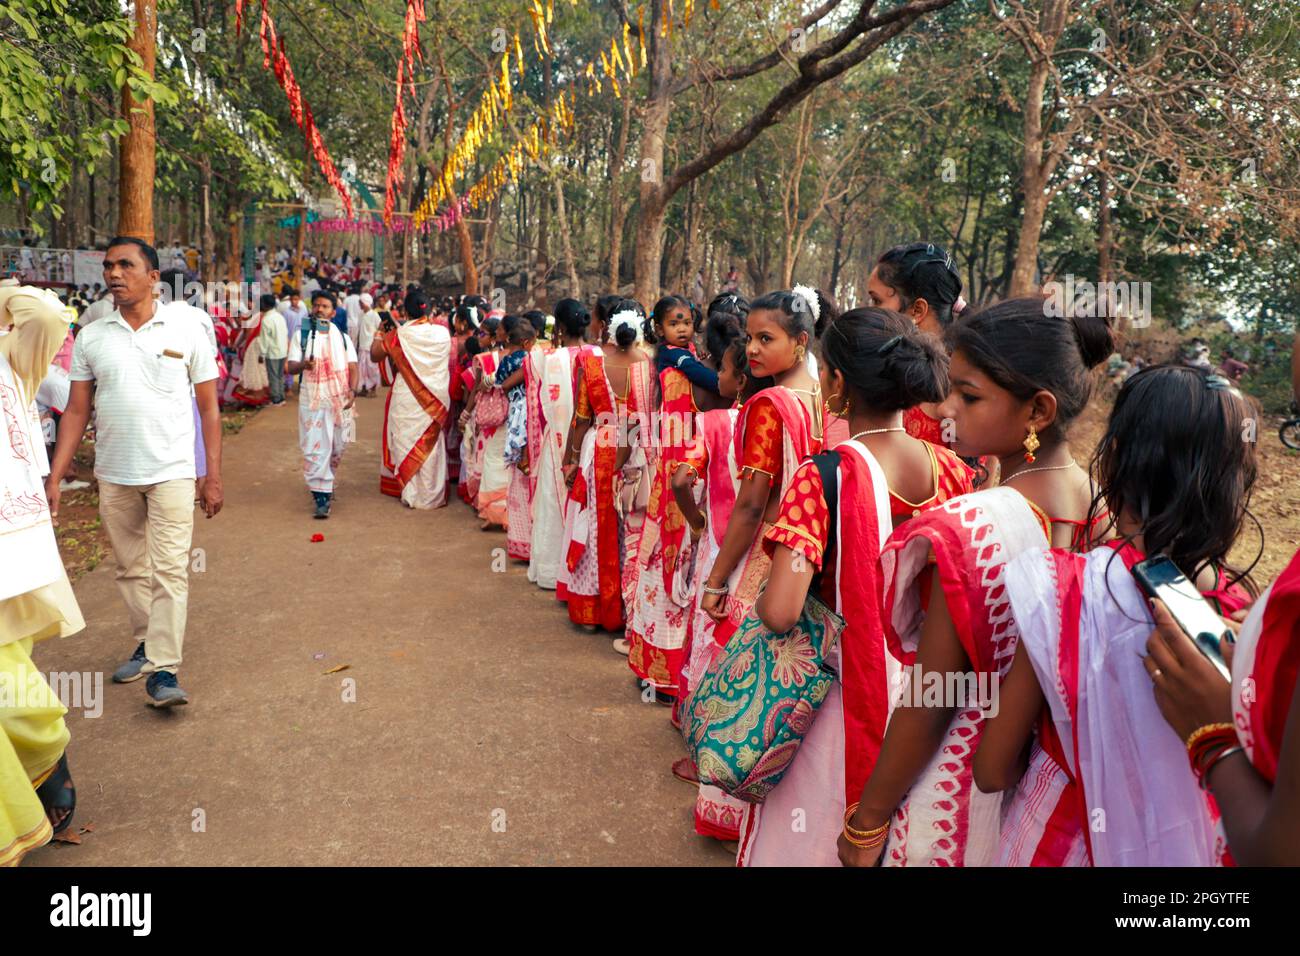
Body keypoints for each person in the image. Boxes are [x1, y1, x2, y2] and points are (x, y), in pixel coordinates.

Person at [839, 297, 1111, 867]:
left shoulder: (972, 527)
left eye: (969, 395)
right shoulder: (1101, 508)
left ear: (1038, 410)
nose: (943, 407)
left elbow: (934, 698)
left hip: (951, 795)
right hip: (1036, 792)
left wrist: (866, 822)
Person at [975, 364, 1258, 865]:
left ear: (1115, 466)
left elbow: (992, 770)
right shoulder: (1244, 616)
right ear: (1235, 488)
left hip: (1057, 843)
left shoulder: (1066, 593)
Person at [733, 307, 972, 866]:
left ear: (836, 383)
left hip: (841, 707)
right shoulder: (954, 472)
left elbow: (782, 612)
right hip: (927, 707)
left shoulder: (824, 477)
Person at [47, 237, 224, 708]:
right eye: (108, 266)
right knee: (130, 568)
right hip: (115, 473)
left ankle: (164, 671)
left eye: (125, 265)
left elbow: (209, 409)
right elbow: (76, 411)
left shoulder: (185, 331)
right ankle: (147, 641)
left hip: (171, 472)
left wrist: (212, 474)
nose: (113, 274)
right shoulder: (92, 336)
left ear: (153, 276)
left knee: (169, 571)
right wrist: (56, 476)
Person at [0, 284, 87, 864]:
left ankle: (46, 766)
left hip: (11, 555)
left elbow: (49, 311)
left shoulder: (12, 362)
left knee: (16, 692)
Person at [697, 287, 830, 642]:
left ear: (800, 340)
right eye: (750, 337)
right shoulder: (824, 397)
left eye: (766, 339)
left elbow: (752, 505)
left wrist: (715, 581)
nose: (752, 349)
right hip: (802, 555)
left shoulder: (770, 405)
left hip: (762, 551)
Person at [627, 295, 724, 703]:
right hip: (677, 470)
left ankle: (668, 670)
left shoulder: (688, 357)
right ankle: (659, 671)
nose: (682, 328)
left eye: (687, 321)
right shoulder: (675, 359)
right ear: (659, 329)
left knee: (681, 565)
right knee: (668, 565)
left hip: (689, 468)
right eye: (673, 322)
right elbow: (716, 386)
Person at [558, 302, 648, 632]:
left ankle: (595, 608)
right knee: (632, 529)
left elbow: (582, 419)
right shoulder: (649, 367)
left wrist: (571, 459)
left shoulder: (594, 367)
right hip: (638, 451)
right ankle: (629, 611)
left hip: (599, 449)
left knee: (597, 526)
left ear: (609, 331)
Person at [866, 242, 966, 447]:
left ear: (917, 310)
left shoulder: (965, 387)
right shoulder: (885, 371)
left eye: (876, 301)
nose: (870, 313)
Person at [529, 299, 597, 590]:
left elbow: (542, 404)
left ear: (559, 326)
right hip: (592, 443)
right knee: (584, 510)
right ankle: (578, 576)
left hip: (560, 442)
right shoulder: (599, 354)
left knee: (552, 507)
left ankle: (549, 571)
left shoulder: (551, 358)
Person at [373, 289, 452, 509]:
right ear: (431, 310)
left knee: (405, 441)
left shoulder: (400, 335)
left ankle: (411, 493)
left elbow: (374, 355)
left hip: (407, 395)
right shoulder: (443, 333)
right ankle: (431, 495)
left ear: (406, 311)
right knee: (432, 444)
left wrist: (380, 333)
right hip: (436, 396)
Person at [287, 290, 358, 518]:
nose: (319, 309)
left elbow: (353, 368)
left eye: (325, 306)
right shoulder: (302, 336)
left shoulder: (343, 339)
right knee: (314, 448)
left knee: (339, 445)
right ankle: (321, 497)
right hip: (312, 401)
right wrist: (303, 367)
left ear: (333, 312)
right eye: (316, 305)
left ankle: (326, 482)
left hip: (340, 401)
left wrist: (353, 391)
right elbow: (289, 366)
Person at [497, 315, 537, 556]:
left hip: (514, 410)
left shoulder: (504, 361)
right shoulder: (528, 360)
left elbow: (501, 383)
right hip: (526, 409)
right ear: (525, 343)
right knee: (525, 454)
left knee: (517, 449)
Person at [229, 293, 272, 407]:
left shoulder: (257, 315)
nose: (247, 304)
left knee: (254, 371)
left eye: (248, 302)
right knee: (254, 371)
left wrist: (244, 348)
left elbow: (248, 333)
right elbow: (244, 332)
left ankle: (254, 398)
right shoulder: (255, 315)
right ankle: (256, 398)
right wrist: (236, 345)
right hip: (255, 345)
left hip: (255, 345)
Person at [257, 292, 288, 405]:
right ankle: (281, 396)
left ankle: (276, 398)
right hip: (282, 350)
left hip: (272, 352)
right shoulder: (279, 316)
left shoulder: (266, 320)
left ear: (265, 305)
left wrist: (262, 354)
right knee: (280, 375)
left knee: (273, 376)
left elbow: (265, 339)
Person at [356, 293, 382, 397]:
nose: (359, 304)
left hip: (370, 347)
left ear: (365, 303)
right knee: (362, 369)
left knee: (372, 369)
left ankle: (373, 389)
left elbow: (380, 328)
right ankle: (364, 388)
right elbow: (360, 330)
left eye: (361, 302)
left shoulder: (374, 315)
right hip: (362, 346)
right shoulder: (361, 314)